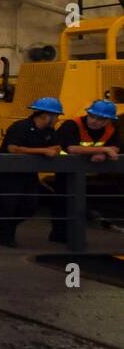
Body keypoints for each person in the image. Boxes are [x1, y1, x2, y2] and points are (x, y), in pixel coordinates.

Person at [0, 97, 63, 247]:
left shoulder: (49, 131)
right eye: (57, 116)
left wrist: (53, 150)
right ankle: (6, 237)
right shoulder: (20, 127)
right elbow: (13, 148)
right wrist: (43, 151)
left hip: (28, 174)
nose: (57, 119)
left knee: (29, 206)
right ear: (47, 116)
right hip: (8, 174)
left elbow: (56, 146)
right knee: (7, 206)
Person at [50, 99, 120, 244]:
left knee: (81, 204)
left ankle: (75, 236)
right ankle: (59, 236)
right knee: (62, 203)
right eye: (93, 117)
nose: (95, 121)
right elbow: (72, 148)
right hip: (65, 170)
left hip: (87, 174)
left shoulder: (111, 129)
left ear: (109, 120)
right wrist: (103, 149)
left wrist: (103, 154)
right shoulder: (72, 125)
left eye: (101, 119)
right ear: (88, 114)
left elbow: (116, 146)